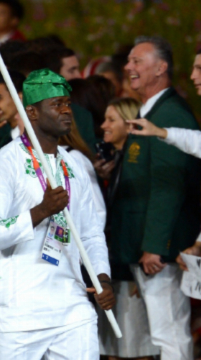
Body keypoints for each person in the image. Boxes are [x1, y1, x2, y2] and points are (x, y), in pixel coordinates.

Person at [0, 69, 115, 357]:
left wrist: (102, 276)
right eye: (57, 104)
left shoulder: (75, 165)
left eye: (67, 103)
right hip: (18, 313)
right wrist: (40, 211)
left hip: (72, 309)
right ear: (32, 113)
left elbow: (90, 232)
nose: (66, 111)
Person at [113, 36, 201, 360]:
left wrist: (155, 244)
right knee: (163, 331)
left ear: (160, 68)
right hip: (153, 244)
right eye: (129, 61)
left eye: (137, 61)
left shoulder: (170, 114)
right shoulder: (153, 111)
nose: (128, 67)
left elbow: (169, 184)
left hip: (161, 249)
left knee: (169, 331)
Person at [96, 97, 161, 360]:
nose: (103, 126)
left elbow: (146, 214)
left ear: (129, 122)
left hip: (134, 268)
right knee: (116, 348)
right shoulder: (118, 162)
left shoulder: (139, 164)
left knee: (136, 349)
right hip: (118, 266)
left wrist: (140, 270)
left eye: (111, 120)